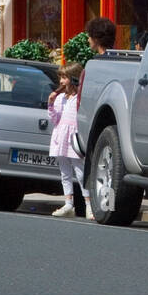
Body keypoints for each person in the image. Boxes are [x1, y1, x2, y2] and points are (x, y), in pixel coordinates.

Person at [48, 62, 89, 217]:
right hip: (61, 136)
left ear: (73, 79)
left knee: (80, 171)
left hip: (74, 136)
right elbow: (55, 119)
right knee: (65, 172)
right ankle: (68, 203)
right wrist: (51, 104)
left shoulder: (80, 97)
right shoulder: (60, 98)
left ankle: (89, 204)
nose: (61, 82)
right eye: (60, 78)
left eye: (64, 78)